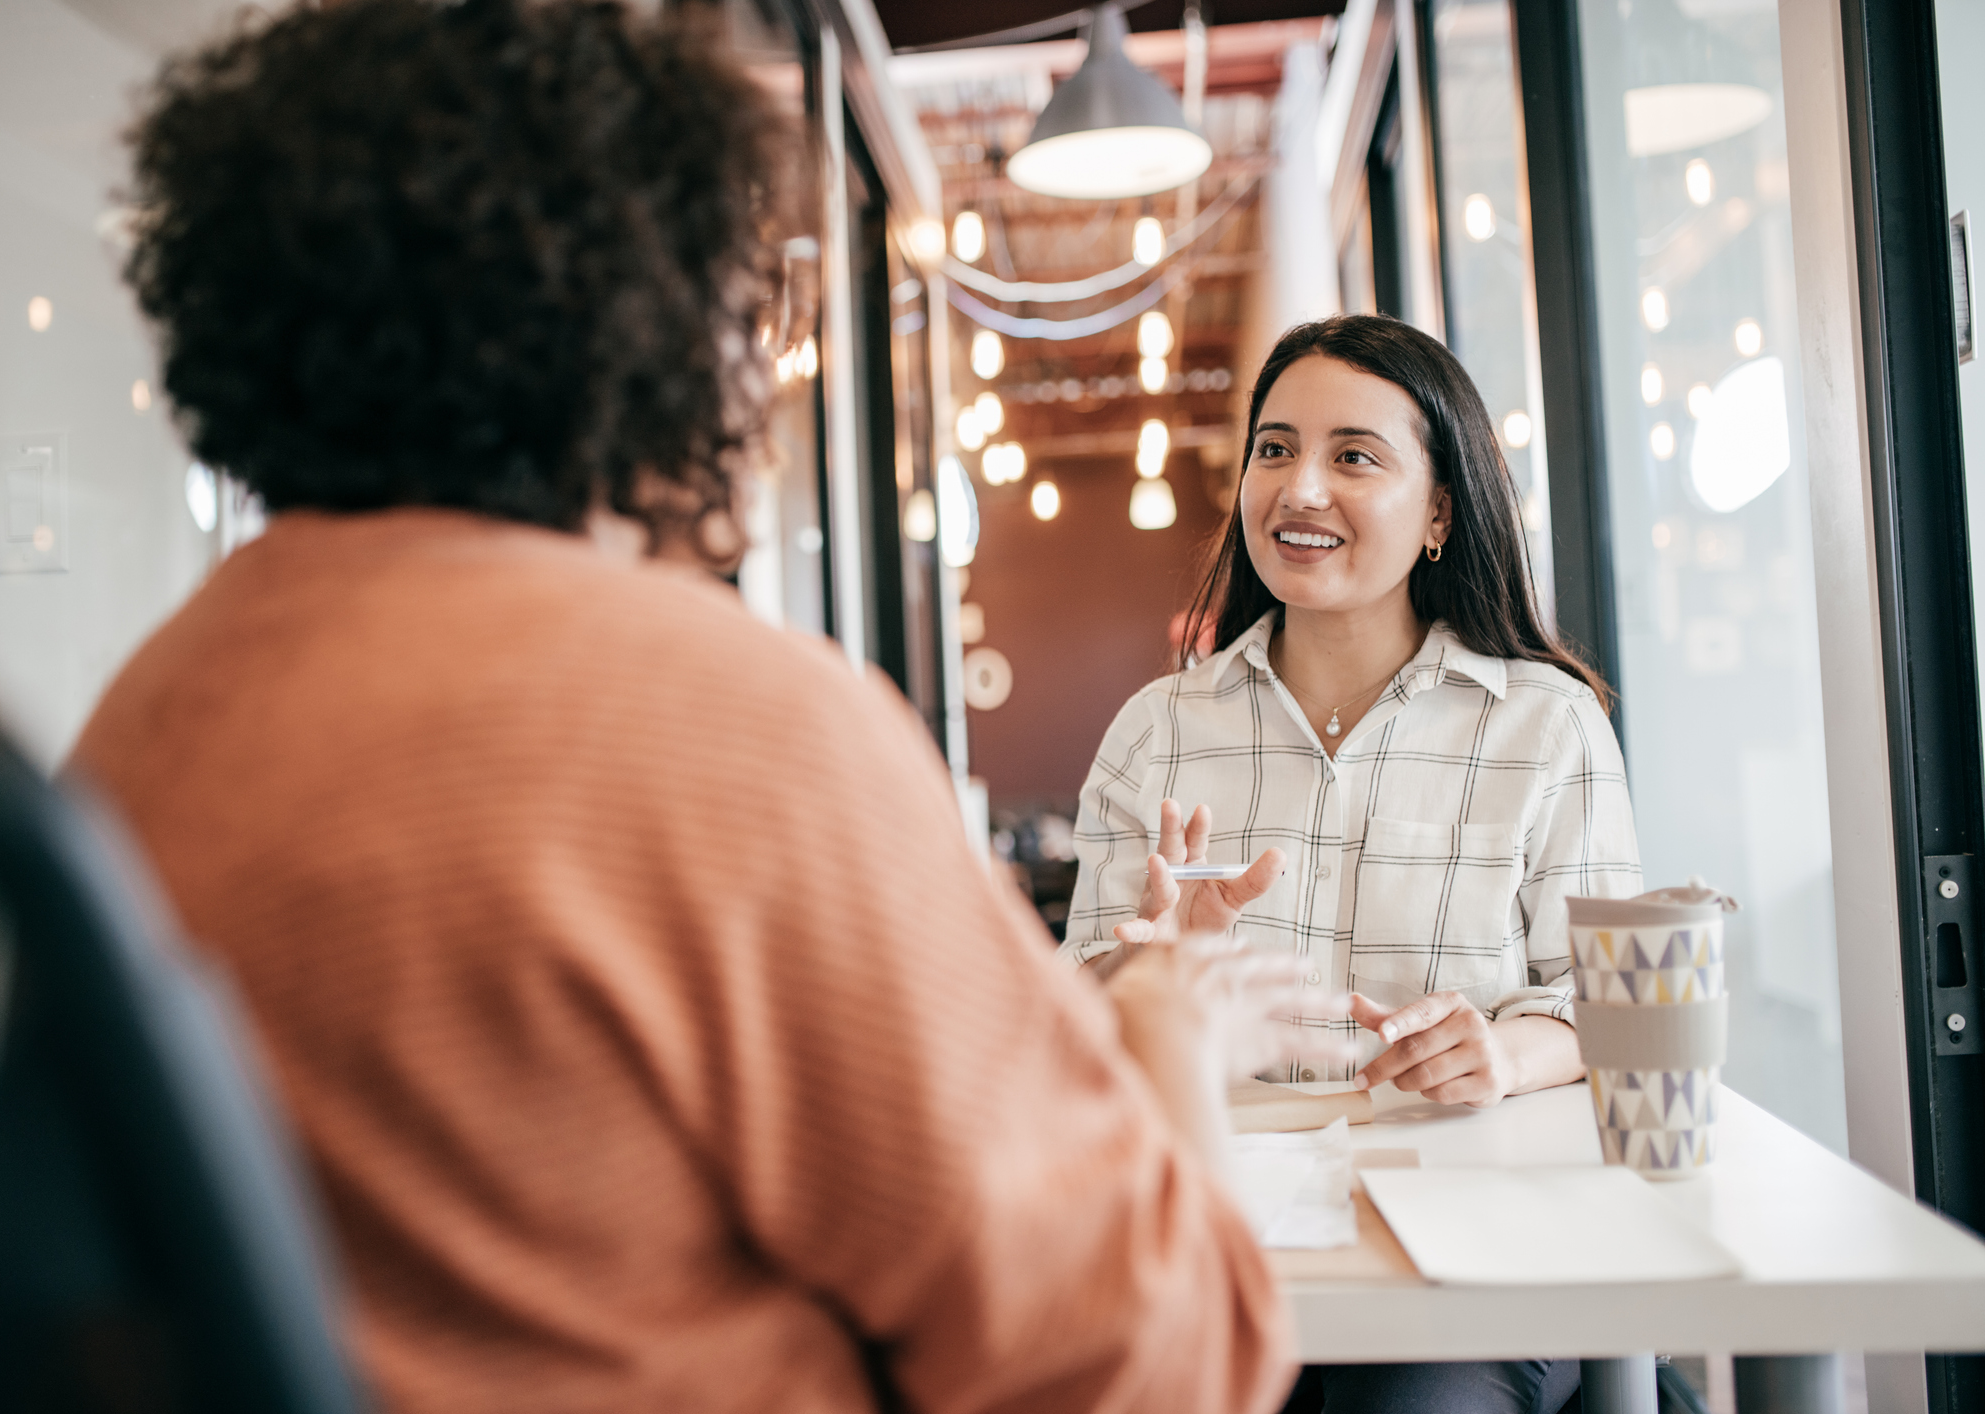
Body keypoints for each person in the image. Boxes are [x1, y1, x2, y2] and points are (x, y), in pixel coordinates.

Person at [68, 3, 1352, 1412]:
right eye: (749, 291)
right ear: (647, 323)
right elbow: (1157, 1361)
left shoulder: (150, 714)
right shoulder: (734, 725)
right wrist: (1175, 1027)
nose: (765, 353)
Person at [1063, 315, 1643, 1414]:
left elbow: (1604, 1001)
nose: (1299, 489)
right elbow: (1078, 1010)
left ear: (1437, 510)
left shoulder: (1545, 727)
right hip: (1222, 1241)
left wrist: (1499, 1055)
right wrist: (1150, 985)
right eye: (1273, 449)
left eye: (1352, 456)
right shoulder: (1157, 731)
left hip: (1468, 1253)